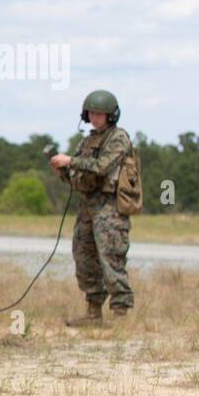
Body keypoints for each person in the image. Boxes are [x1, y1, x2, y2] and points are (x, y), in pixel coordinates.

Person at [49, 89, 134, 325]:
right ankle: (93, 312)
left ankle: (121, 315)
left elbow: (103, 167)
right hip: (87, 206)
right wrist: (63, 171)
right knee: (84, 258)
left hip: (110, 208)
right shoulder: (87, 141)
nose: (95, 117)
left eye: (100, 114)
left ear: (111, 115)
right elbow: (78, 177)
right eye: (91, 113)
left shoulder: (118, 138)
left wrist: (71, 161)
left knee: (111, 257)